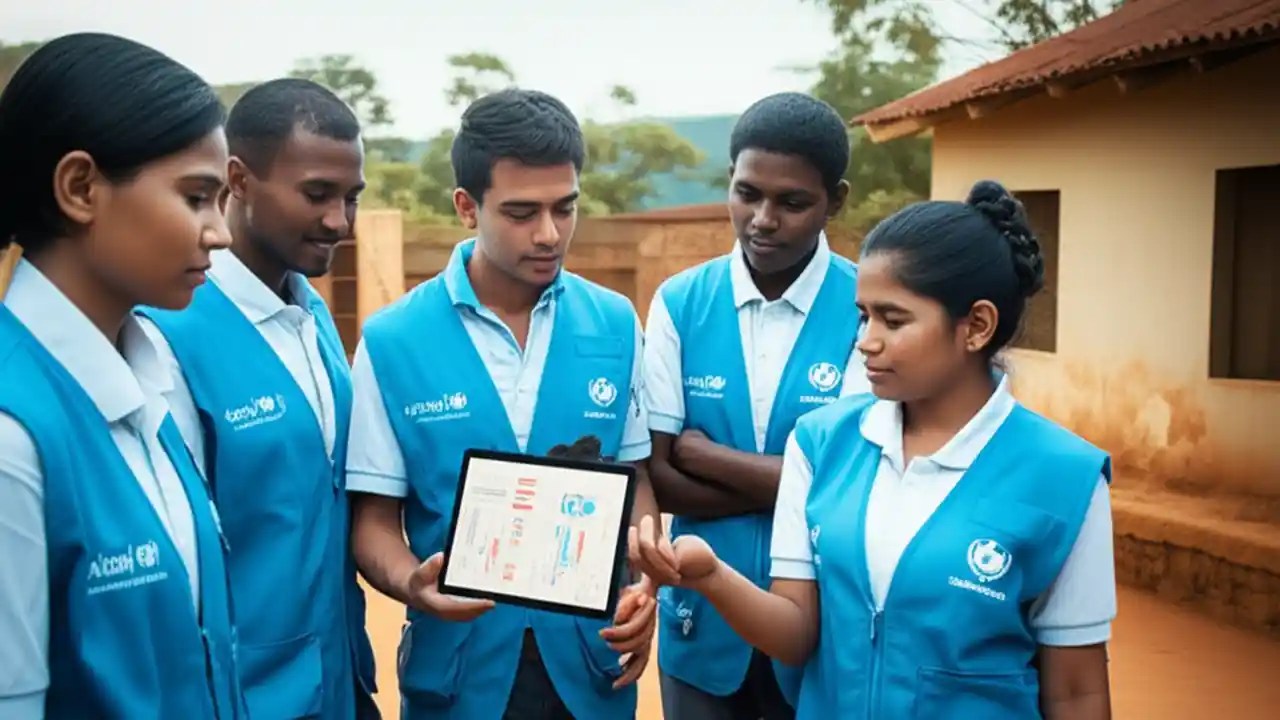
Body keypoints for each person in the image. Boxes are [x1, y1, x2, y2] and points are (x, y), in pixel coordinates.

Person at [632, 179, 1116, 719]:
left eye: (893, 319)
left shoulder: (1065, 479)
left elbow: (1076, 689)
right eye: (863, 316)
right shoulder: (821, 445)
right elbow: (796, 634)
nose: (865, 340)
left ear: (976, 326)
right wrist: (712, 576)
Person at [345, 88, 666, 720]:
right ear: (468, 207)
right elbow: (373, 521)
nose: (549, 234)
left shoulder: (615, 322)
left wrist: (645, 581)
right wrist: (413, 580)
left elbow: (635, 480)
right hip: (459, 673)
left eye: (564, 208)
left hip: (591, 669)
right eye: (521, 212)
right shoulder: (391, 341)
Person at [0, 33, 247, 719]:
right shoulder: (12, 438)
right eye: (197, 197)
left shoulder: (154, 380)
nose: (219, 233)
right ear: (80, 188)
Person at [137, 79, 379, 720]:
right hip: (240, 695)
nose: (340, 221)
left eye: (352, 198)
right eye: (317, 195)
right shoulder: (165, 335)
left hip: (338, 683)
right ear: (237, 180)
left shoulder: (312, 312)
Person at [642, 92, 869, 719]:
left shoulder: (870, 307)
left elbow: (854, 484)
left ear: (836, 200)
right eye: (748, 194)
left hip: (828, 630)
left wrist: (703, 453)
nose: (764, 219)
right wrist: (797, 482)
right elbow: (659, 476)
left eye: (793, 202)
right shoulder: (680, 303)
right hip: (701, 625)